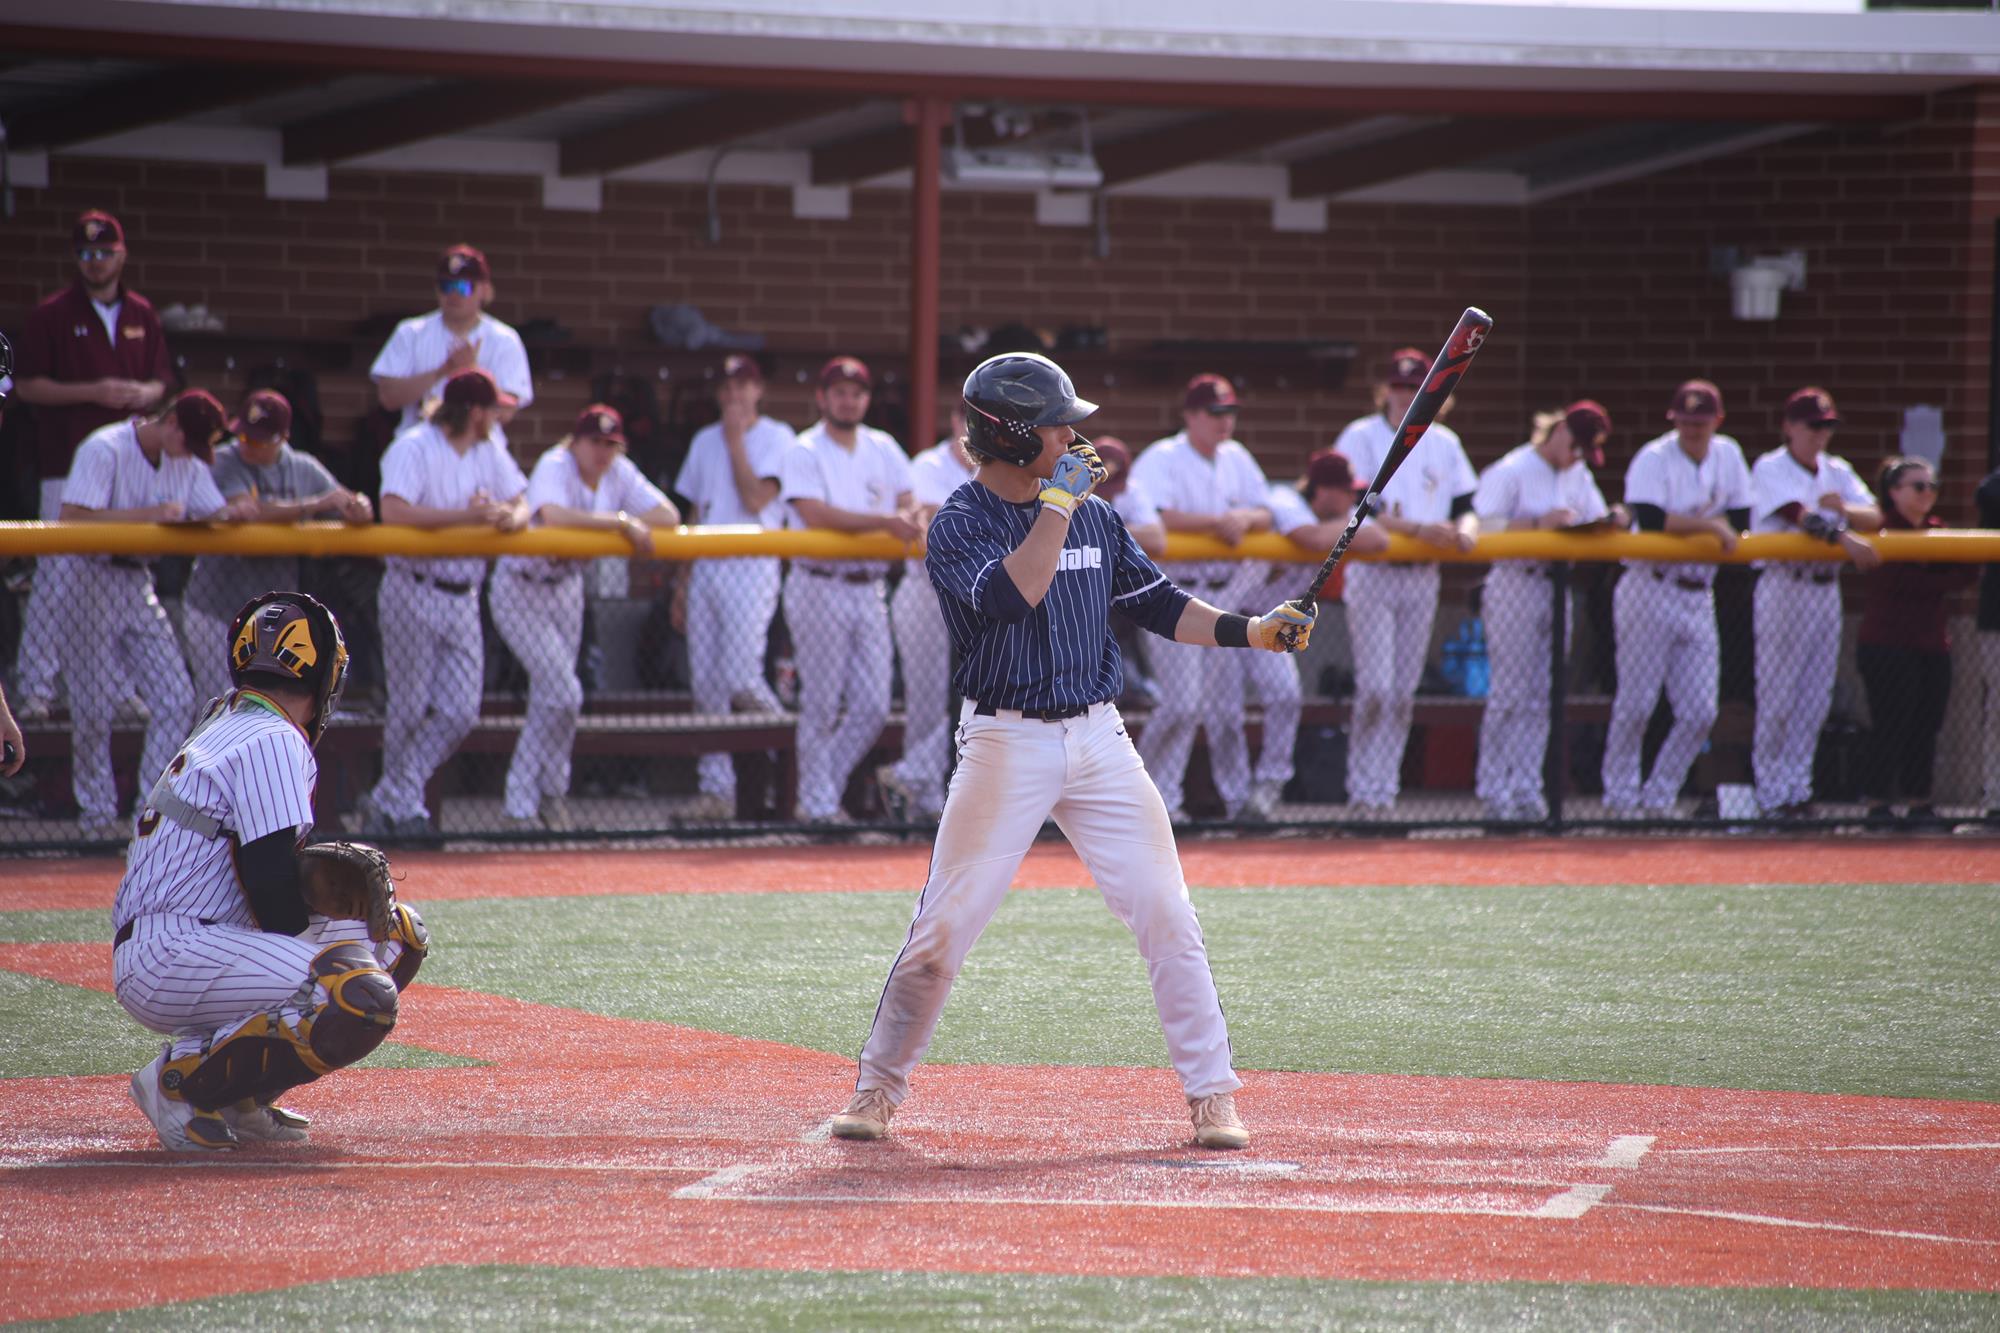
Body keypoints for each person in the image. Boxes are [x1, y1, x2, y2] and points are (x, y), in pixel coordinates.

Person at [825, 352, 1314, 1151]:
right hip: (1004, 740)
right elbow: (1013, 594)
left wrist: (1252, 630)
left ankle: (1212, 1095)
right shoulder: (960, 521)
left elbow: (1157, 603)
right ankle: (877, 1088)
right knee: (943, 929)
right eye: (1057, 428)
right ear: (1013, 436)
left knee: (1168, 912)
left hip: (1098, 735)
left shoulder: (1092, 514)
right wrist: (1056, 502)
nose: (1073, 440)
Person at [114, 591, 428, 1151]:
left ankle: (240, 1097)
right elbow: (269, 881)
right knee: (354, 993)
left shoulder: (231, 719)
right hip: (176, 950)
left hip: (188, 937)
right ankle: (179, 1086)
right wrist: (322, 956)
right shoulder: (274, 736)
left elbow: (258, 867)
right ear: (323, 675)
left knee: (396, 936)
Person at [60, 391, 253, 840]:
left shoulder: (186, 460)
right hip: (89, 577)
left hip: (137, 581)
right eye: (191, 441)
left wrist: (234, 513)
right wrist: (150, 516)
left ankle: (148, 812)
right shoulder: (105, 447)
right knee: (93, 708)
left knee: (175, 697)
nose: (192, 455)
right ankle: (95, 817)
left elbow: (213, 511)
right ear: (172, 425)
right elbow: (71, 517)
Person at [11, 210, 174, 720]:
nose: (95, 262)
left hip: (125, 469)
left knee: (117, 578)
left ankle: (118, 686)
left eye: (104, 252)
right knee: (57, 574)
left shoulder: (142, 313)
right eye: (85, 253)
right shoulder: (53, 314)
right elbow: (25, 385)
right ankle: (36, 686)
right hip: (66, 463)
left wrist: (143, 392)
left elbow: (162, 381)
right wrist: (93, 391)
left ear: (121, 255)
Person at [354, 368, 529, 838]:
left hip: (463, 594)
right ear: (473, 412)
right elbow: (394, 510)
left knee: (460, 711)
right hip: (414, 586)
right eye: (492, 410)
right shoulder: (414, 445)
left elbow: (522, 499)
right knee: (409, 709)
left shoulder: (488, 450)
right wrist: (466, 517)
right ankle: (403, 808)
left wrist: (510, 515)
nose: (497, 418)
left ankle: (390, 797)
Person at [491, 404, 678, 831]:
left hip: (566, 588)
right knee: (564, 692)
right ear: (575, 442)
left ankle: (547, 796)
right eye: (594, 441)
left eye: (611, 443)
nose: (602, 452)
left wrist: (623, 522)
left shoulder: (619, 471)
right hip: (522, 586)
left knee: (555, 695)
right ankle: (520, 802)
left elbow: (668, 515)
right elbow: (552, 515)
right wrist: (620, 522)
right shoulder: (555, 464)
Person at [1332, 347, 1479, 813]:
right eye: (1398, 386)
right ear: (1385, 391)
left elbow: (1466, 505)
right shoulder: (1362, 435)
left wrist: (1466, 531)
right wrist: (1418, 529)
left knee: (1401, 693)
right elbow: (1358, 505)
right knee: (1376, 688)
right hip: (1375, 573)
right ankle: (1361, 789)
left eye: (1415, 387)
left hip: (1423, 577)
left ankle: (1384, 790)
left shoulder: (1446, 442)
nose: (1405, 395)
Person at [1601, 379, 1752, 815]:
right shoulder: (1653, 457)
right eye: (1684, 421)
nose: (1691, 429)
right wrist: (1708, 524)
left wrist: (1694, 523)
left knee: (1700, 712)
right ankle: (1620, 797)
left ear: (1717, 421)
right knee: (1637, 704)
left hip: (1698, 592)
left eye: (1700, 421)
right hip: (1650, 586)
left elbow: (1742, 517)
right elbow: (1650, 519)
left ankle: (1659, 795)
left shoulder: (1728, 454)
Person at [777, 356, 917, 824]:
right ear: (822, 398)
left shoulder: (883, 447)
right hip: (819, 583)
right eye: (839, 392)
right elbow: (814, 514)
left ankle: (819, 794)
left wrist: (906, 515)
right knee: (821, 702)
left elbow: (909, 500)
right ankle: (818, 805)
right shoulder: (804, 449)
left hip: (869, 587)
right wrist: (885, 522)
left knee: (874, 706)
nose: (848, 400)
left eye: (857, 393)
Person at [1130, 374, 1274, 821]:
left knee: (1224, 710)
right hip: (1174, 591)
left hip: (1228, 591)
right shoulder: (1163, 456)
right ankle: (1147, 797)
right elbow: (1154, 516)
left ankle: (1228, 801)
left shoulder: (1237, 457)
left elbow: (1266, 511)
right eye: (1215, 413)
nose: (1224, 421)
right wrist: (1217, 523)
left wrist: (1243, 518)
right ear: (1190, 415)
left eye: (1229, 412)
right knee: (1181, 704)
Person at [1472, 402, 1624, 822]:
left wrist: (1614, 518)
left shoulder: (1579, 473)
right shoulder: (1512, 468)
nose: (1578, 456)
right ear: (1559, 431)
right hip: (1515, 581)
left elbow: (1595, 517)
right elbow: (1484, 528)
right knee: (1510, 693)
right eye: (1576, 446)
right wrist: (1538, 525)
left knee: (1542, 696)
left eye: (1585, 451)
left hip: (1556, 586)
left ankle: (1526, 789)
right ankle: (1494, 792)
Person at [183, 390, 376, 706]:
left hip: (271, 621)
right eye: (244, 435)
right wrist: (314, 505)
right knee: (220, 706)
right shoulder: (224, 460)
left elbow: (348, 502)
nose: (247, 444)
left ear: (283, 437)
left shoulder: (302, 467)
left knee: (266, 709)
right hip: (215, 610)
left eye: (258, 440)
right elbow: (250, 511)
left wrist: (360, 507)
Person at [1221, 450, 1384, 819]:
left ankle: (1268, 787)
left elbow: (1379, 540)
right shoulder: (1285, 500)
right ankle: (1231, 799)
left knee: (1285, 697)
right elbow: (1308, 537)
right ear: (1322, 490)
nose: (1352, 499)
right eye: (1346, 491)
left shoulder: (1342, 515)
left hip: (1271, 624)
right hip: (1230, 614)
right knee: (1224, 714)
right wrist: (1351, 527)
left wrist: (1347, 526)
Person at [1747, 387, 1882, 818]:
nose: (1821, 433)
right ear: (1789, 426)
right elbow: (1796, 515)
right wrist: (1842, 533)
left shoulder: (1837, 470)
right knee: (1778, 697)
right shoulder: (1771, 466)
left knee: (1814, 698)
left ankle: (1797, 789)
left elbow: (1876, 515)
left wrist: (1845, 510)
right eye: (1813, 425)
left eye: (1827, 426)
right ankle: (1771, 793)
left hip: (1825, 589)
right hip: (1784, 585)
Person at [672, 354, 794, 821]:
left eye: (743, 385)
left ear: (758, 390)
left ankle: (791, 748)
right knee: (706, 685)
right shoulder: (703, 439)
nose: (734, 394)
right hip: (706, 564)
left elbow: (756, 498)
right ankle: (716, 791)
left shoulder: (777, 436)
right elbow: (696, 513)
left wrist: (736, 439)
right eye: (727, 386)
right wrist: (682, 584)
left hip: (751, 563)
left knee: (740, 677)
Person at [1855, 457, 1974, 826]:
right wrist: (1933, 574)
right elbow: (1901, 581)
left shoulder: (1937, 530)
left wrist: (1932, 573)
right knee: (1891, 722)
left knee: (1926, 724)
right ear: (1894, 492)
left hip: (1932, 643)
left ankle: (1919, 801)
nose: (1927, 493)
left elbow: (1966, 573)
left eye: (1932, 487)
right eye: (1918, 486)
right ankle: (1877, 802)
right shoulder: (1884, 529)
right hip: (1886, 643)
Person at [879, 403, 975, 823]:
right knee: (927, 702)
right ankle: (922, 795)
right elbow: (935, 521)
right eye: (967, 419)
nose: (971, 428)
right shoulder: (929, 464)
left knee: (974, 695)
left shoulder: (997, 466)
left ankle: (912, 777)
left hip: (974, 600)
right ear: (953, 422)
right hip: (926, 593)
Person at [369, 244, 534, 447]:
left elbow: (507, 412)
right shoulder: (411, 332)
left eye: (463, 287)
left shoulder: (504, 339)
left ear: (485, 290)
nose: (454, 295)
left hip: (479, 448)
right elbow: (388, 398)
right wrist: (443, 371)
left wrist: (472, 373)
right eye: (446, 286)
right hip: (420, 446)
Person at [1976, 462, 2000, 821]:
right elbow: (1988, 494)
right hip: (1998, 619)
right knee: (1997, 711)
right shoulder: (1993, 488)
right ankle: (1996, 799)